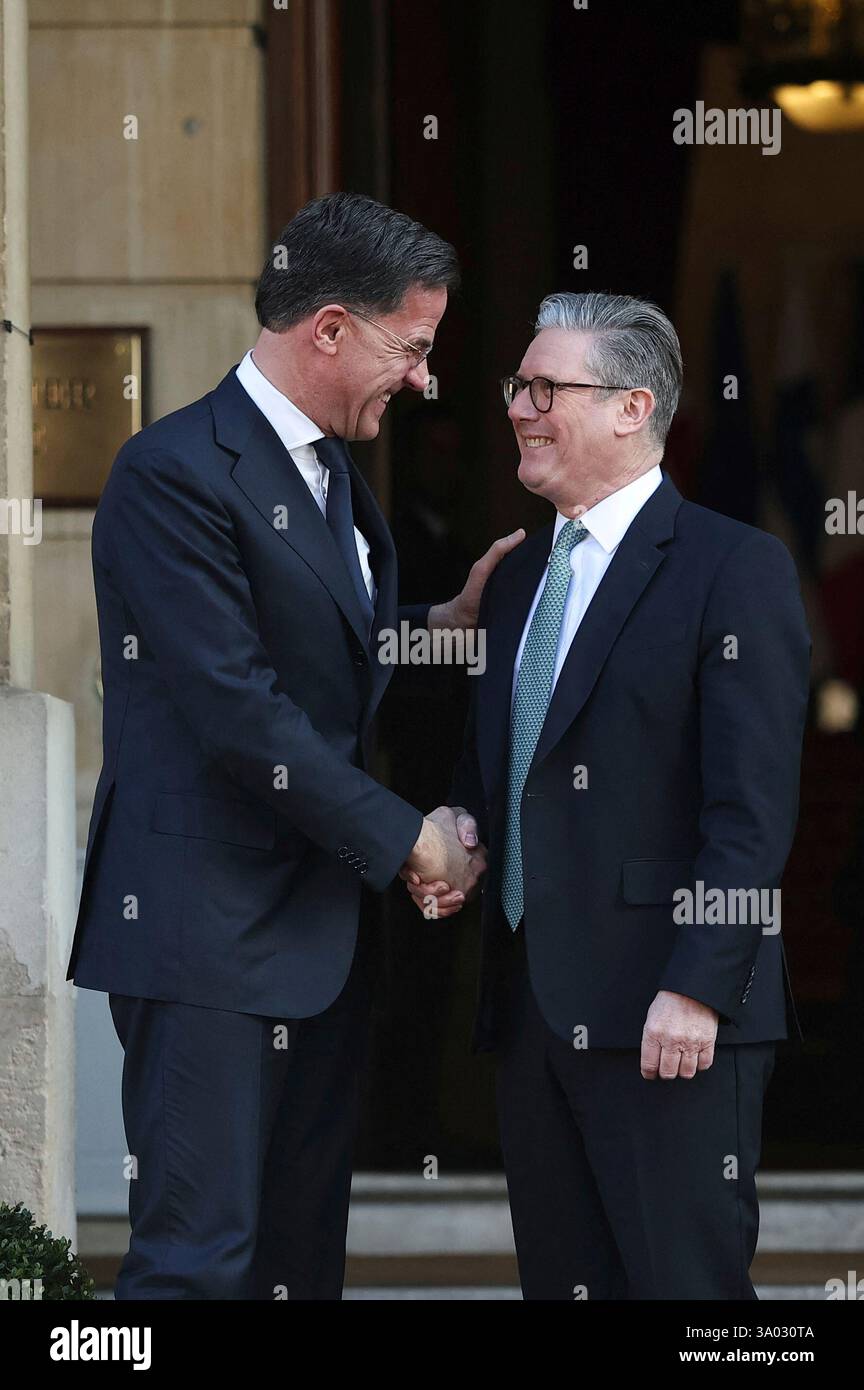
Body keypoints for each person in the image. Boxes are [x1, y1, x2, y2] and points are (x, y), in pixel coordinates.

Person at [68, 193, 510, 1299]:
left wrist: (432, 632)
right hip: (205, 938)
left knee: (293, 1268)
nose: (422, 378)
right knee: (197, 1268)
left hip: (313, 938)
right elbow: (238, 709)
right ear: (328, 329)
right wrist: (410, 837)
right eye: (410, 348)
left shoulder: (336, 480)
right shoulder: (172, 471)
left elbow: (313, 660)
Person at [406, 291, 811, 1300]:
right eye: (518, 386)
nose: (518, 408)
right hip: (538, 1016)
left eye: (547, 388)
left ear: (633, 407)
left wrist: (701, 983)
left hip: (671, 1014)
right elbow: (494, 765)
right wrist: (461, 826)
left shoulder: (735, 567)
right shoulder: (512, 576)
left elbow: (751, 810)